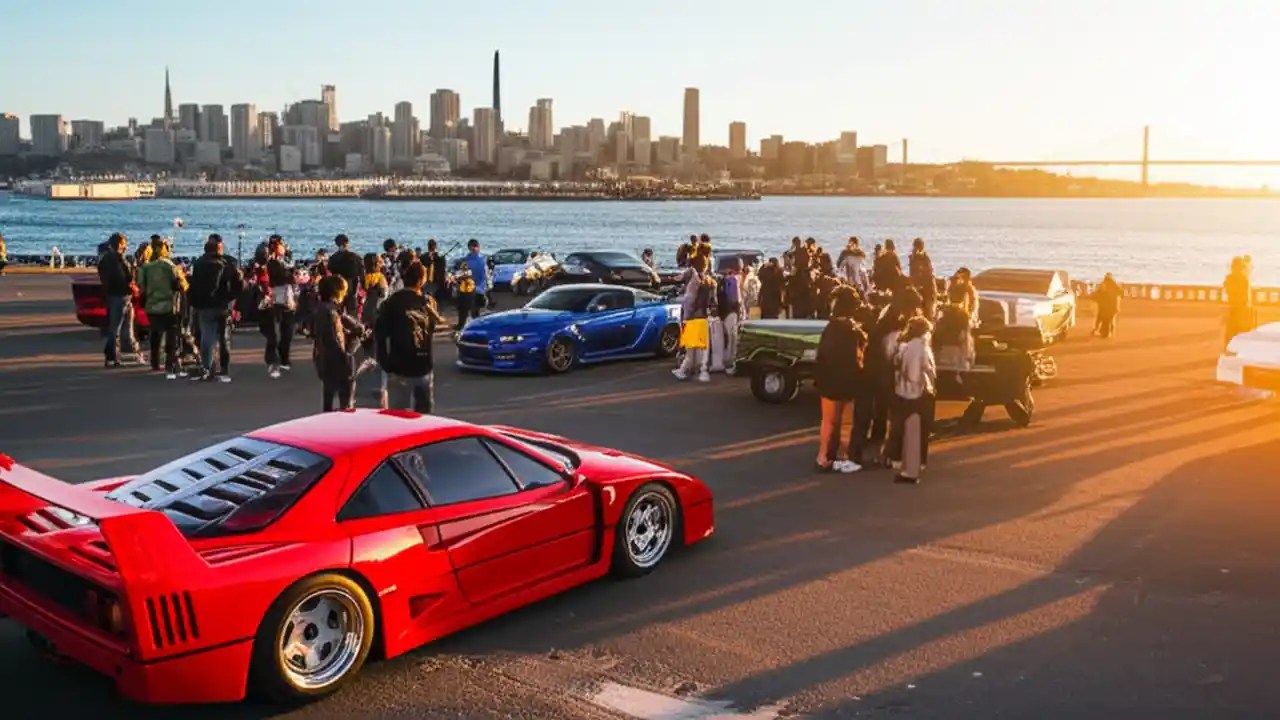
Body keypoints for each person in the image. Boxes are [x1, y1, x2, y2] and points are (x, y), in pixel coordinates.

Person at [375, 261, 446, 413]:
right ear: (421, 280)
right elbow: (431, 329)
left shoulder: (391, 303)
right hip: (423, 363)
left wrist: (385, 363)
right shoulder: (427, 302)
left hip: (399, 364)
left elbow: (380, 334)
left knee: (398, 414)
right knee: (425, 413)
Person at [815, 287, 867, 474]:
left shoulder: (831, 328)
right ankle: (842, 456)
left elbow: (822, 356)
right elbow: (858, 358)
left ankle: (823, 457)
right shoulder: (854, 331)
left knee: (828, 422)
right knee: (846, 423)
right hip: (850, 382)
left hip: (830, 382)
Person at [886, 315, 936, 484]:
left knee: (901, 427)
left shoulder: (905, 346)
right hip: (917, 394)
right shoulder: (920, 347)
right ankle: (913, 467)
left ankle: (900, 460)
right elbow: (915, 375)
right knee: (917, 430)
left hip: (903, 392)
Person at [188, 234, 244, 382]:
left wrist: (193, 302)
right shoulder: (228, 263)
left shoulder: (199, 263)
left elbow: (193, 285)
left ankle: (207, 367)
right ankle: (224, 369)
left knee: (207, 336)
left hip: (205, 305)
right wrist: (231, 297)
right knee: (224, 338)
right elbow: (239, 283)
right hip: (223, 304)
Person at [312, 276, 365, 412]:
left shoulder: (320, 309)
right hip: (338, 361)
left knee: (328, 395)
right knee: (346, 400)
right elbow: (336, 339)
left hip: (323, 359)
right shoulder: (332, 313)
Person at [137, 237, 186, 379]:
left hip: (152, 305)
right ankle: (170, 364)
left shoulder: (145, 268)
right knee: (171, 336)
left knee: (155, 334)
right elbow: (180, 285)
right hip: (168, 305)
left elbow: (141, 286)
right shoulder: (169, 266)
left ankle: (154, 362)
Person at [97, 232, 140, 368]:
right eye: (124, 244)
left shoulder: (104, 260)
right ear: (120, 245)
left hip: (111, 294)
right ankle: (112, 357)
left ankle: (116, 355)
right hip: (121, 295)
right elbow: (127, 277)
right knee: (116, 328)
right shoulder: (119, 259)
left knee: (117, 326)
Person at [674, 260, 716, 382]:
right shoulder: (709, 281)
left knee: (690, 348)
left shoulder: (695, 282)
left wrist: (685, 318)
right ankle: (693, 369)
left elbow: (689, 302)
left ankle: (684, 371)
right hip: (703, 317)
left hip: (693, 317)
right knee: (698, 347)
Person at [262, 235, 297, 378]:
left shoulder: (283, 261)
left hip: (284, 297)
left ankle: (283, 358)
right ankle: (276, 360)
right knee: (276, 332)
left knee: (286, 330)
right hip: (276, 296)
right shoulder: (271, 263)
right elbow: (287, 277)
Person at [713, 258, 745, 374]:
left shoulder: (731, 280)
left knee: (731, 337)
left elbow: (734, 298)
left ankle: (732, 363)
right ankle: (731, 361)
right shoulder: (736, 279)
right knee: (732, 337)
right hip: (733, 311)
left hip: (730, 311)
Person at [359, 252, 388, 377]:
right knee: (379, 335)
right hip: (378, 308)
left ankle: (367, 359)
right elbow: (383, 294)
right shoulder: (380, 277)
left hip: (367, 308)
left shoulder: (364, 277)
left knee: (367, 334)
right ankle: (377, 360)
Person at [327, 234, 362, 316]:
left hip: (338, 287)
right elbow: (361, 273)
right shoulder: (356, 257)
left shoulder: (333, 258)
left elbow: (330, 273)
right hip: (352, 286)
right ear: (347, 243)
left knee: (338, 312)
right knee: (353, 313)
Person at [1224, 256, 1253, 347]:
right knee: (1234, 329)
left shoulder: (1233, 278)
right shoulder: (1241, 279)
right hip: (1237, 307)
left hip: (1238, 307)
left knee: (1236, 329)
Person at [908, 238, 936, 317]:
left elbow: (927, 272)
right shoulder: (915, 258)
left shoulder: (922, 258)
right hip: (921, 287)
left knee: (927, 310)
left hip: (926, 288)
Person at [462, 238, 488, 320]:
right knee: (478, 312)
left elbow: (462, 275)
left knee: (472, 312)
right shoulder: (482, 260)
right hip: (480, 289)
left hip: (471, 290)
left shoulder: (466, 261)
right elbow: (486, 275)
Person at [1091, 273, 1123, 339]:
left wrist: (1094, 298)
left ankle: (1100, 330)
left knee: (1102, 318)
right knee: (1109, 319)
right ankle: (1109, 331)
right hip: (1111, 306)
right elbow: (1121, 292)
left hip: (1105, 306)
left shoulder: (1105, 285)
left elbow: (1097, 294)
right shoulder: (1114, 285)